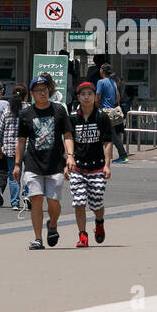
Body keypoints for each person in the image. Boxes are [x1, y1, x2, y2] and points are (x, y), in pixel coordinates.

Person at [14, 74, 75, 251]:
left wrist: (70, 155)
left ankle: (53, 224)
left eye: (45, 89)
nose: (43, 93)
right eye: (39, 90)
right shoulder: (26, 114)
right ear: (32, 93)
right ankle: (38, 239)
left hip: (55, 163)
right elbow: (21, 141)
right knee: (37, 200)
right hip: (33, 164)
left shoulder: (59, 110)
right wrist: (17, 164)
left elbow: (68, 135)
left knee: (53, 202)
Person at [68, 80, 114, 247]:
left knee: (96, 202)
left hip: (97, 166)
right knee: (79, 201)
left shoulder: (101, 117)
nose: (86, 97)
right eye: (83, 94)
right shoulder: (72, 117)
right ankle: (82, 235)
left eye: (90, 94)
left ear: (95, 97)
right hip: (78, 167)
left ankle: (99, 222)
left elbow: (108, 142)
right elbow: (68, 139)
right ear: (78, 97)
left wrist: (107, 165)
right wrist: (68, 160)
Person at [0, 83, 28, 214]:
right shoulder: (30, 109)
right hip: (28, 147)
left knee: (13, 175)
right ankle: (27, 197)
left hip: (11, 148)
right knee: (29, 174)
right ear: (26, 95)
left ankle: (15, 203)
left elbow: (0, 131)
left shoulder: (7, 111)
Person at [96, 62, 128, 162]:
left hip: (104, 111)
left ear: (102, 70)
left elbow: (97, 97)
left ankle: (123, 155)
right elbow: (117, 97)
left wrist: (97, 108)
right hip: (112, 111)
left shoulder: (101, 82)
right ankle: (102, 156)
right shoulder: (113, 82)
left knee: (111, 135)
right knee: (105, 134)